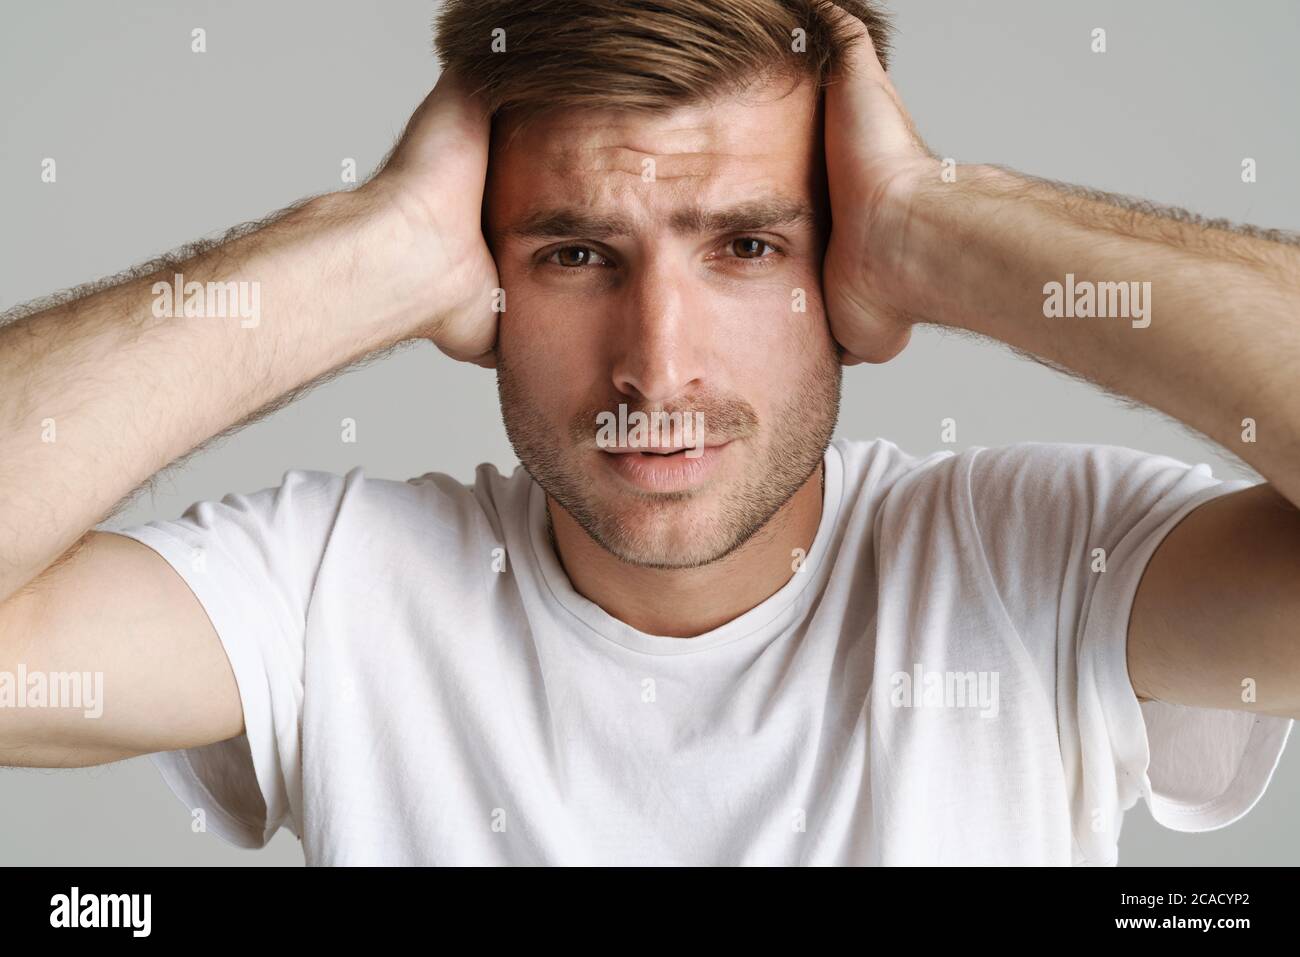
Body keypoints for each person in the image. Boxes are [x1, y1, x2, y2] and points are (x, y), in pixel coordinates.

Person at [0, 0, 1296, 866]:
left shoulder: (1046, 568)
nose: (656, 364)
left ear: (849, 273)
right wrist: (370, 249)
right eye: (575, 252)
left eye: (746, 245)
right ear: (482, 279)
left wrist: (940, 223)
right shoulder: (332, 592)